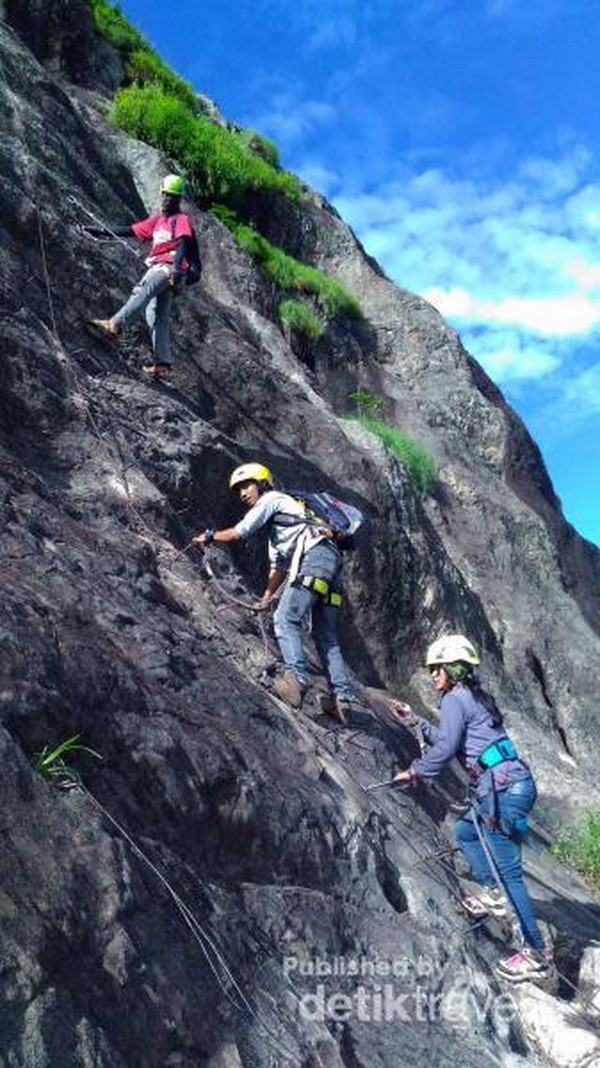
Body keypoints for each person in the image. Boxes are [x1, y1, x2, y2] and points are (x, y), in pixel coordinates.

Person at [392, 634, 553, 984]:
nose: (433, 676)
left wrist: (416, 771)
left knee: (510, 875)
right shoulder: (471, 698)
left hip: (502, 792)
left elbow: (447, 747)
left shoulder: (454, 699)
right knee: (465, 831)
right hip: (507, 786)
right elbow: (454, 739)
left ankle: (536, 954)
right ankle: (492, 893)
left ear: (452, 670)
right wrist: (416, 721)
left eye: (437, 670)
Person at [193, 462, 356, 722]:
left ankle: (296, 682)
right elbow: (279, 566)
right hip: (331, 565)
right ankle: (343, 700)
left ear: (262, 483)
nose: (243, 493)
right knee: (324, 633)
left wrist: (210, 537)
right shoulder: (283, 525)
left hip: (314, 559)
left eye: (247, 485)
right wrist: (267, 597)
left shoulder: (272, 499)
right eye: (239, 490)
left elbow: (240, 532)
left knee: (285, 619)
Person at [86, 174, 194, 380]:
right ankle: (163, 364)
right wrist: (102, 232)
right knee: (156, 314)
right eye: (166, 195)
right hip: (168, 270)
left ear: (179, 199)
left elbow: (182, 243)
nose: (168, 200)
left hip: (167, 267)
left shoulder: (180, 219)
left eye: (173, 197)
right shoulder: (157, 222)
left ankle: (115, 324)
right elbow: (130, 230)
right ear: (161, 194)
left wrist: (178, 269)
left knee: (142, 290)